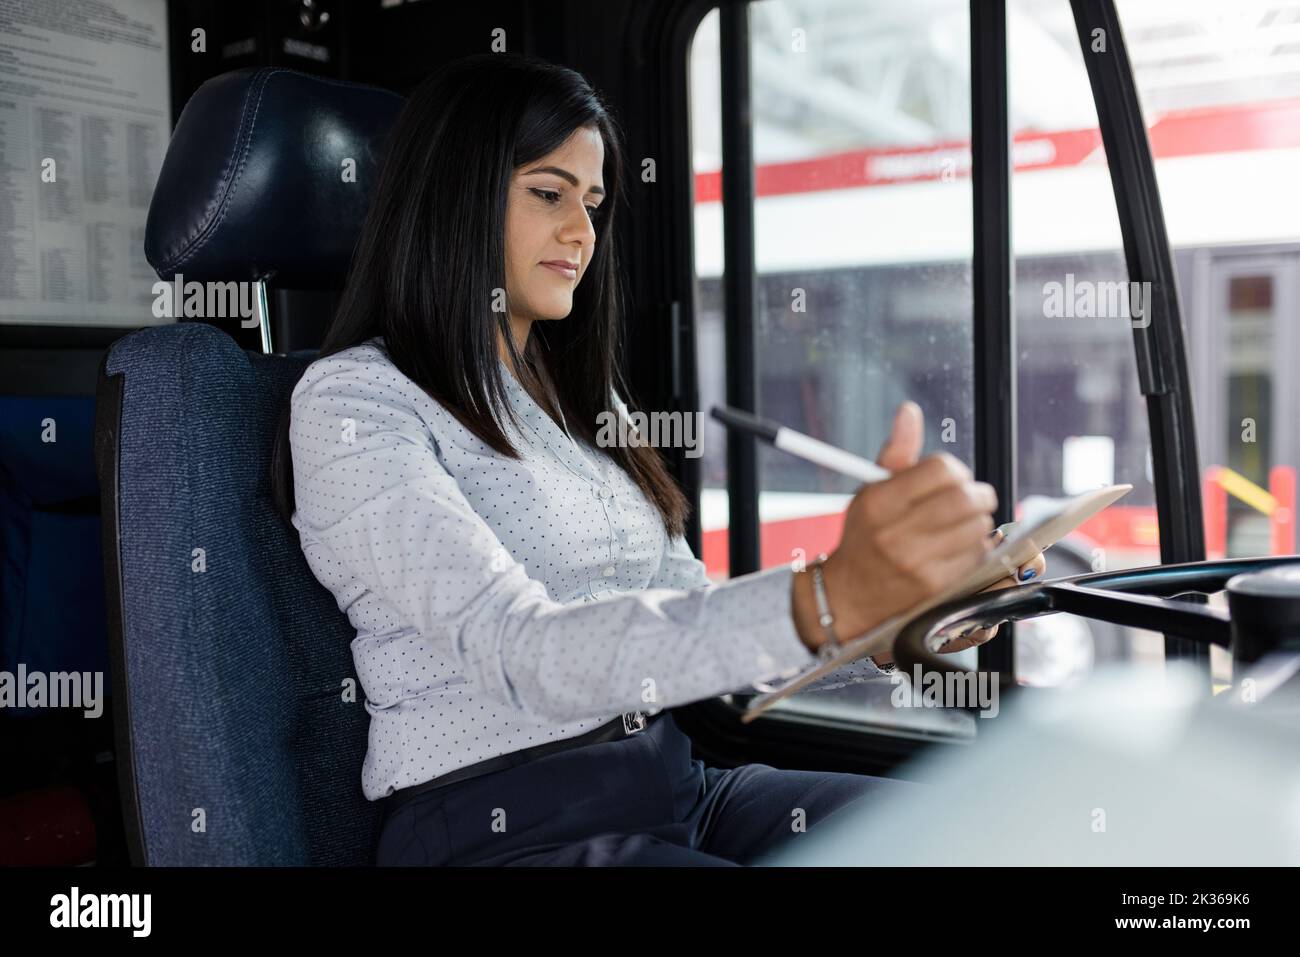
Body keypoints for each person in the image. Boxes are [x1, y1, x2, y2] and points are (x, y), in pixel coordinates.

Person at [269, 53, 1044, 866]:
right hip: (500, 829)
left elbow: (689, 614)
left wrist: (889, 623)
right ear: (456, 197)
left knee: (974, 834)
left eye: (594, 203)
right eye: (548, 193)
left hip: (673, 786)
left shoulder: (581, 404)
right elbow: (519, 652)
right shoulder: (354, 404)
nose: (582, 231)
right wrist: (826, 596)